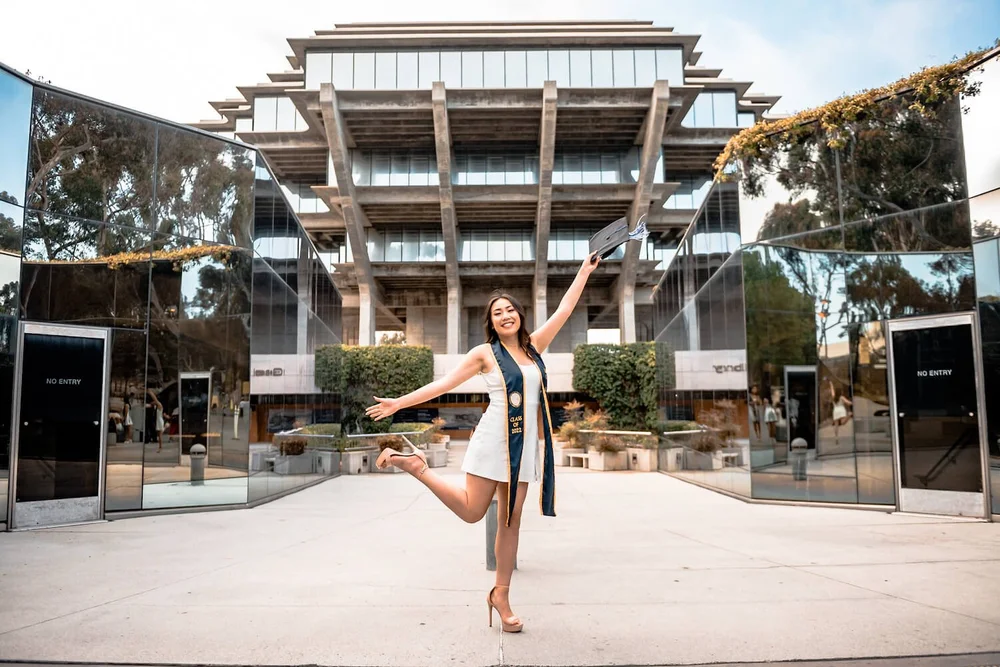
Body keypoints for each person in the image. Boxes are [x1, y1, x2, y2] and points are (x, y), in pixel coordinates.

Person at [365, 252, 602, 633]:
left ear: (520, 315)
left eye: (511, 309)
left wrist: (583, 272)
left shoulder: (534, 347)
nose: (506, 315)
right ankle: (417, 466)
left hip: (524, 447)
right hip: (493, 440)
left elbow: (563, 310)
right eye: (498, 312)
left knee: (511, 522)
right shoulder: (484, 354)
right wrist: (399, 402)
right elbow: (443, 385)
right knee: (474, 512)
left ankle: (501, 596)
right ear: (491, 322)